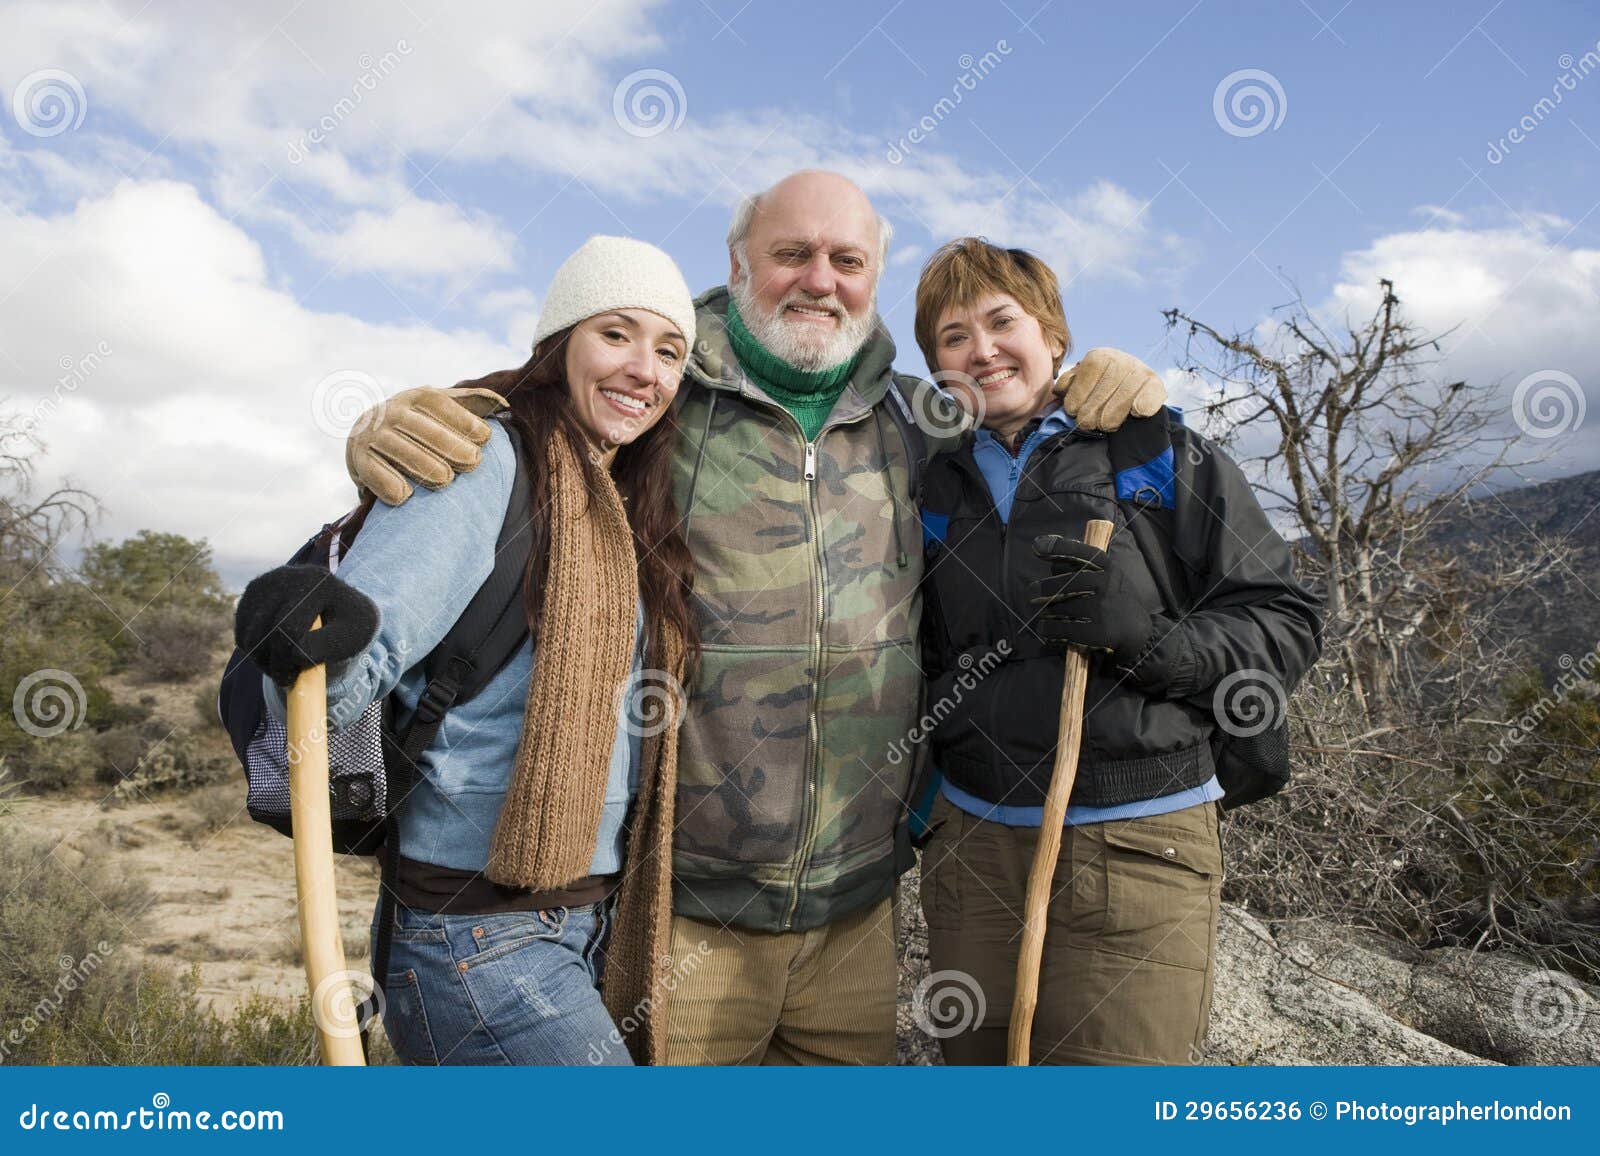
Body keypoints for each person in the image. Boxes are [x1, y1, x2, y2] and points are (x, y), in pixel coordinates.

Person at [342, 171, 1171, 1064]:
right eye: (792, 254)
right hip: (686, 914)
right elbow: (535, 440)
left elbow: (1022, 422)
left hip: (858, 911)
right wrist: (388, 430)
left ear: (873, 279)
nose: (820, 279)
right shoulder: (662, 392)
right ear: (739, 264)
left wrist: (1109, 381)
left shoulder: (920, 417)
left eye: (847, 260)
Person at [233, 236, 699, 1065]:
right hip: (479, 937)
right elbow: (355, 660)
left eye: (669, 351)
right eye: (617, 335)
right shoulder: (485, 458)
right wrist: (311, 637)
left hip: (581, 924)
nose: (645, 370)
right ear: (558, 346)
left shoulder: (621, 503)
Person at [911, 237, 1323, 1064]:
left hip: (1138, 842)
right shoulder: (929, 479)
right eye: (953, 337)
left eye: (1002, 321)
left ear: (1054, 335)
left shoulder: (1152, 452)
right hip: (974, 852)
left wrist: (1153, 642)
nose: (982, 350)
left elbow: (1287, 615)